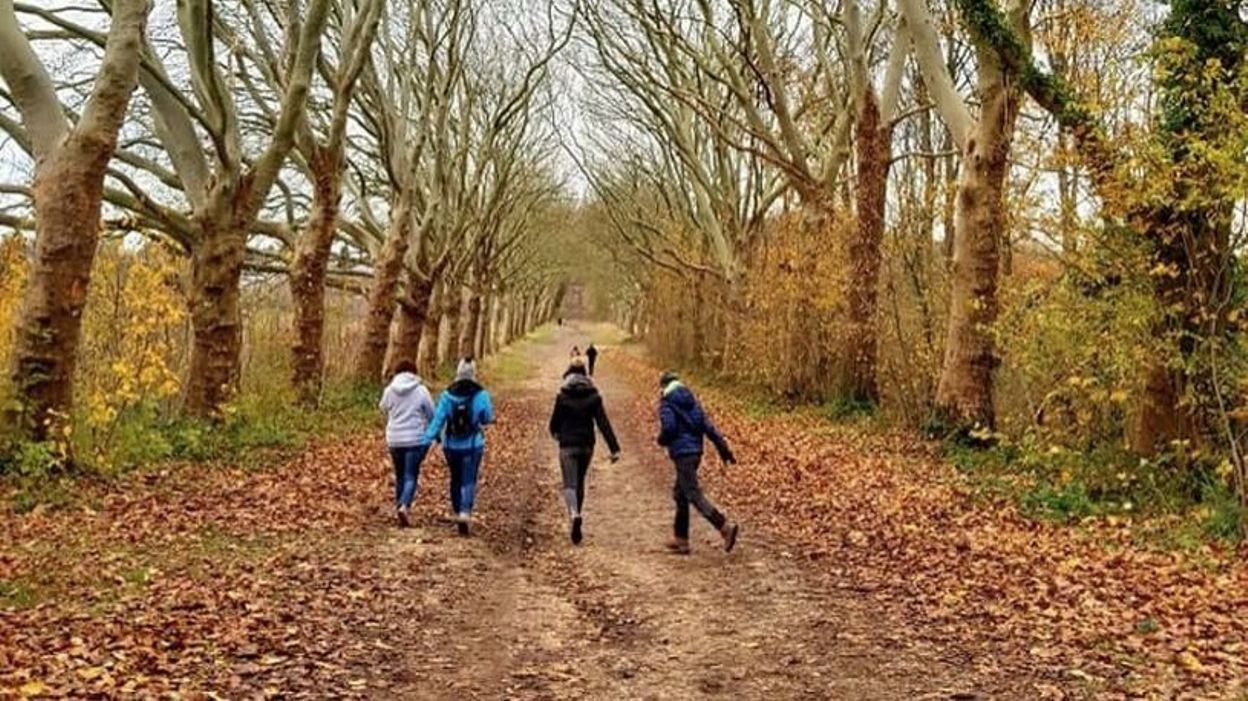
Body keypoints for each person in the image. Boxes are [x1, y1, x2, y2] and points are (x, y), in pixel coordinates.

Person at [656, 371, 739, 554]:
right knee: (680, 494)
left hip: (682, 454)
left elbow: (669, 428)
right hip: (695, 453)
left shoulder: (667, 403)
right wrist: (724, 450)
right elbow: (709, 428)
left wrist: (662, 440)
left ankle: (724, 527)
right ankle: (681, 539)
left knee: (693, 493)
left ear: (664, 386)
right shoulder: (692, 402)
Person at [548, 358, 620, 544]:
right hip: (586, 445)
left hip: (567, 445)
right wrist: (614, 448)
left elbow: (554, 422)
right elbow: (603, 423)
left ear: (569, 372)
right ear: (585, 373)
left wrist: (556, 433)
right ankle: (577, 514)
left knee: (569, 484)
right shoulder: (594, 396)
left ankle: (574, 514)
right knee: (579, 481)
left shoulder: (562, 396)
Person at [423, 358, 495, 536]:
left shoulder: (447, 394)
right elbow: (487, 417)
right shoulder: (480, 394)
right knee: (469, 479)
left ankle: (457, 511)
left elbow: (438, 420)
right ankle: (465, 512)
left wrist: (426, 440)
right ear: (473, 373)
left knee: (455, 479)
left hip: (451, 445)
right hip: (473, 444)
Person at [379, 360, 435, 527]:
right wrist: (433, 433)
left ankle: (399, 506)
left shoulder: (389, 390)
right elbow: (431, 413)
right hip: (415, 439)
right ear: (414, 372)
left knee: (400, 475)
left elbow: (383, 408)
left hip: (394, 439)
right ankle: (404, 505)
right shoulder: (421, 390)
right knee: (411, 474)